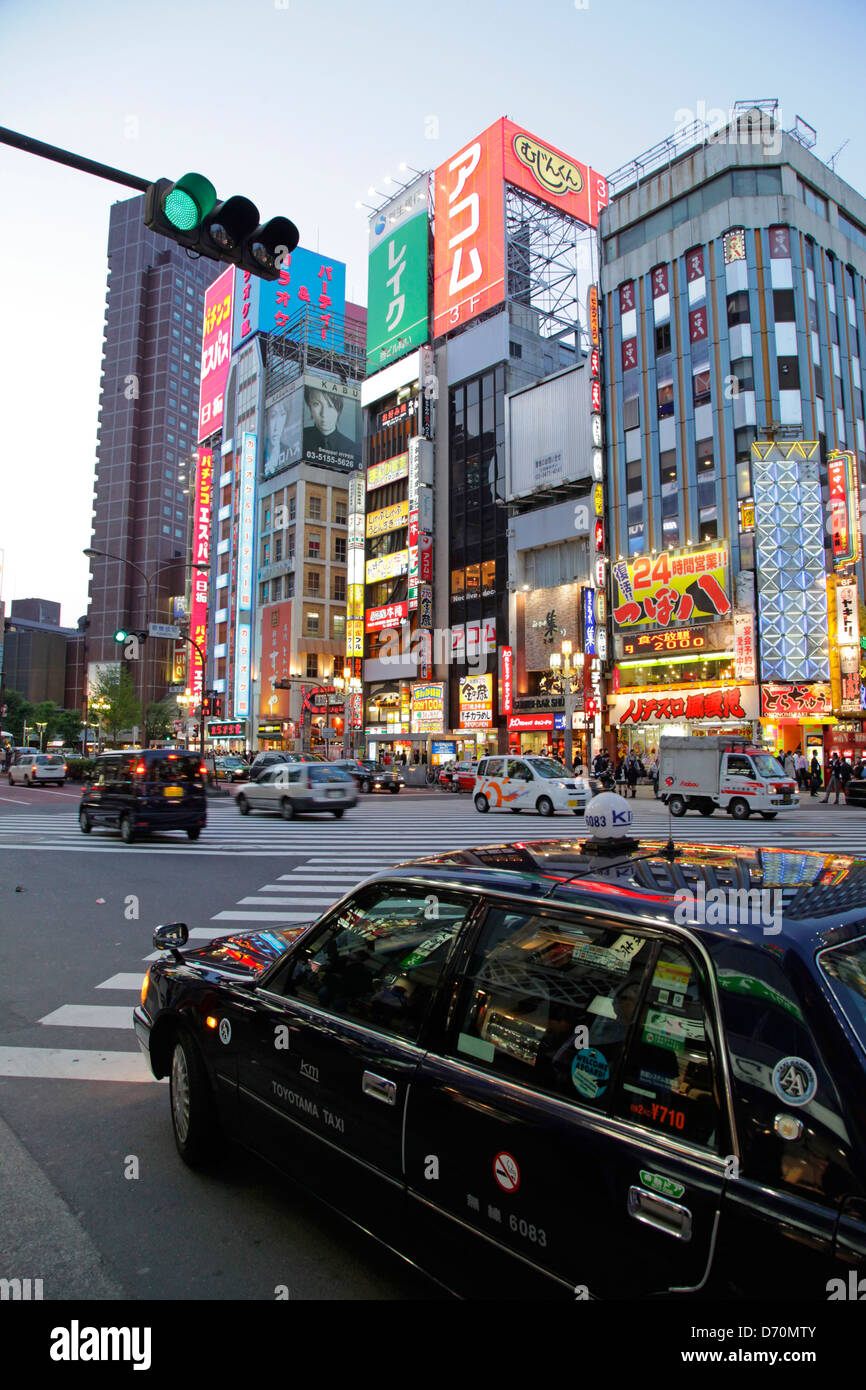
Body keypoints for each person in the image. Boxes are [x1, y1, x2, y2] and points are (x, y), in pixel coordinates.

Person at [303, 385, 358, 467]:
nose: (324, 414)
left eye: (330, 405)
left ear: (339, 409)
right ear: (310, 407)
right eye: (316, 404)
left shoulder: (352, 448)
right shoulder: (301, 440)